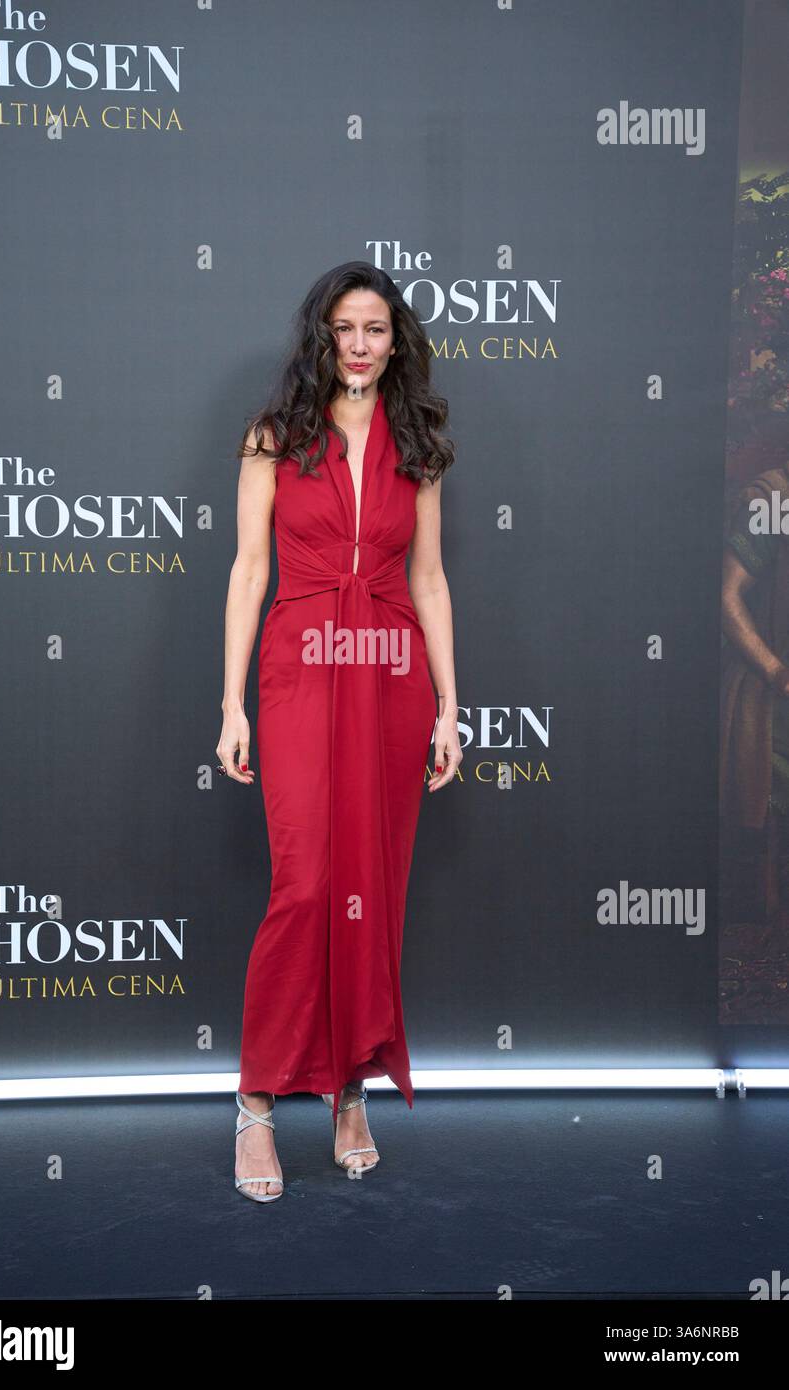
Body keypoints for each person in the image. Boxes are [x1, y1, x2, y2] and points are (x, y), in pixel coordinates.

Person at [217, 261, 461, 1202]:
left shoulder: (419, 443)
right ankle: (257, 1103)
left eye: (376, 329)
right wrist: (231, 704)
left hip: (392, 677)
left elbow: (431, 580)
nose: (359, 345)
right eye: (344, 329)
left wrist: (449, 706)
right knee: (308, 883)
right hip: (301, 668)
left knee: (372, 887)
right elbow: (248, 571)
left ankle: (349, 1094)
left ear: (396, 342)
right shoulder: (274, 437)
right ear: (322, 337)